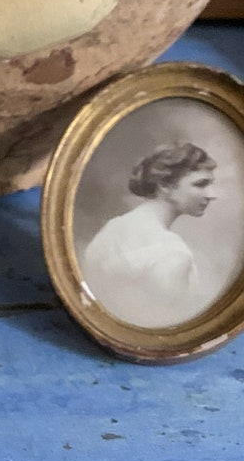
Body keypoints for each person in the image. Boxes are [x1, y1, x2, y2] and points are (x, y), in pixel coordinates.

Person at [82, 141, 217, 328]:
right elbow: (162, 325)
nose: (212, 194)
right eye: (200, 184)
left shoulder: (115, 226)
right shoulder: (173, 255)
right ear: (165, 185)